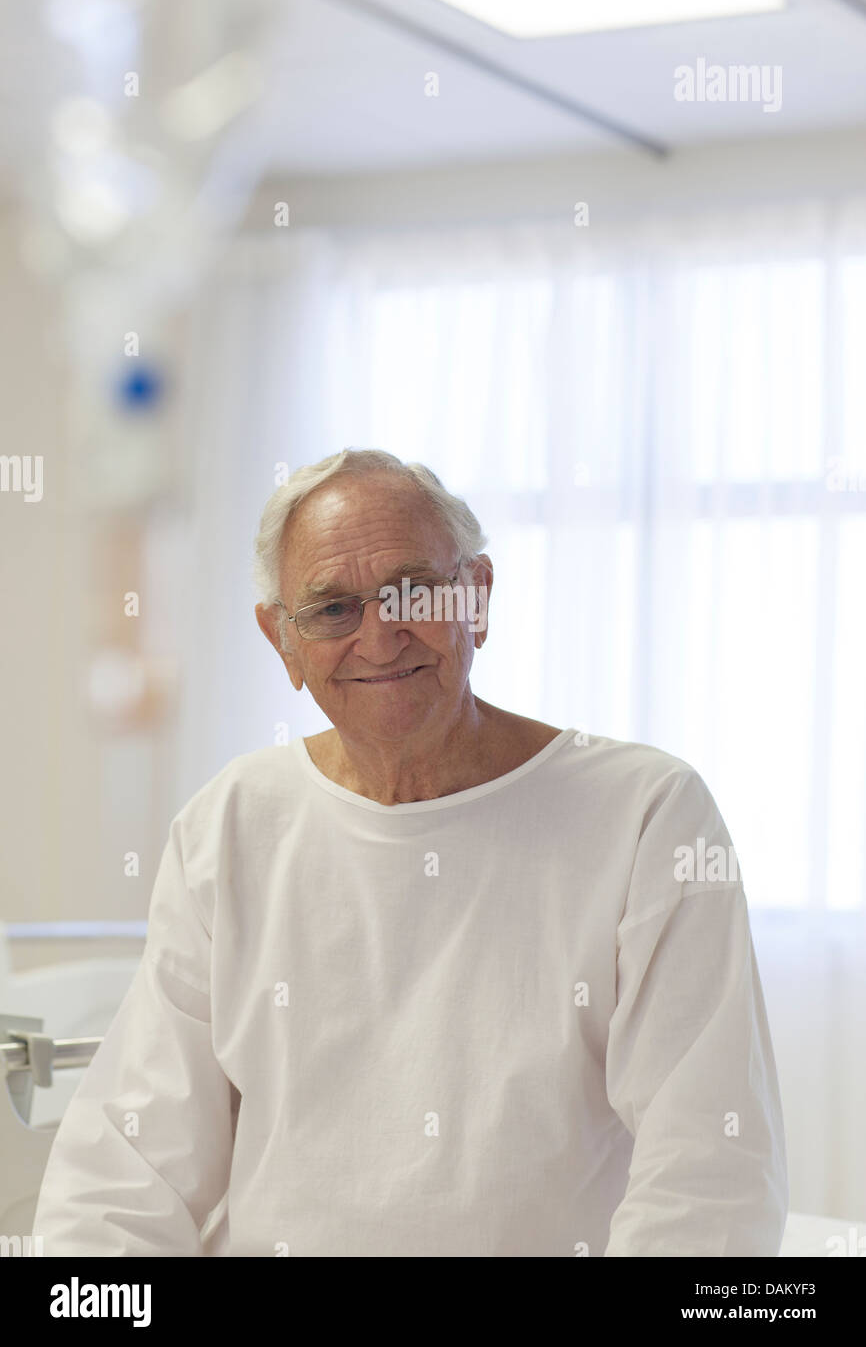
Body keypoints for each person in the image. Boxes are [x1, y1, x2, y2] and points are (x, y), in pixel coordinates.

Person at [32, 447, 788, 1256]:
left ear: (478, 597)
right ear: (281, 641)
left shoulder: (648, 816)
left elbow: (707, 1173)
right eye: (331, 611)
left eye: (413, 590)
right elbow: (125, 1168)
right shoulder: (231, 824)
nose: (380, 634)